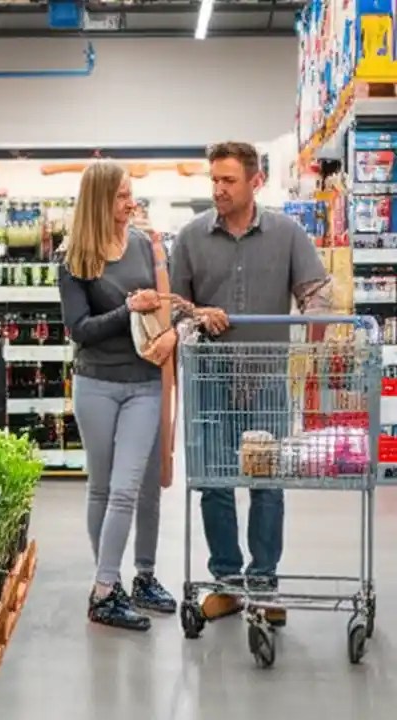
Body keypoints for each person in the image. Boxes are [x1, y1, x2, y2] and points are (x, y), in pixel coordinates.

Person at [170, 141, 333, 625]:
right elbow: (173, 308)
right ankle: (226, 582)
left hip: (266, 378)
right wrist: (197, 314)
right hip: (211, 379)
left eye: (229, 181)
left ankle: (263, 584)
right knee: (215, 484)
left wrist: (312, 353)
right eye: (214, 180)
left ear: (255, 181)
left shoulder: (287, 233)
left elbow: (317, 294)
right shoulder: (190, 238)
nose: (219, 189)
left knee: (268, 484)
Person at [58, 161, 178, 631]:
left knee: (133, 486)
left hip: (144, 382)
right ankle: (108, 585)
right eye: (122, 196)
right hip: (95, 383)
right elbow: (80, 330)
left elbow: (170, 302)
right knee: (103, 488)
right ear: (100, 201)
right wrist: (127, 309)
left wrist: (172, 326)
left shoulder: (147, 246)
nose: (132, 202)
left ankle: (118, 585)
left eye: (132, 194)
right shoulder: (74, 260)